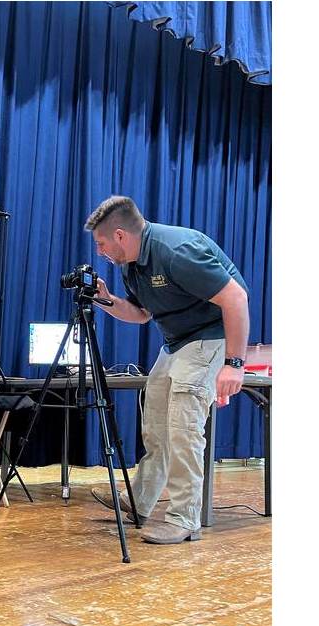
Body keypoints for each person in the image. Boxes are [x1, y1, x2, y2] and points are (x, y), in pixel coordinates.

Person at [85, 195, 249, 545]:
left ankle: (184, 518)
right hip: (176, 342)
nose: (99, 251)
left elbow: (236, 298)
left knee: (183, 428)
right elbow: (142, 314)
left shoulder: (176, 250)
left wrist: (234, 364)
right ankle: (141, 502)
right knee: (156, 424)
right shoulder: (131, 264)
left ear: (119, 235)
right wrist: (107, 301)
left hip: (211, 335)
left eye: (100, 243)